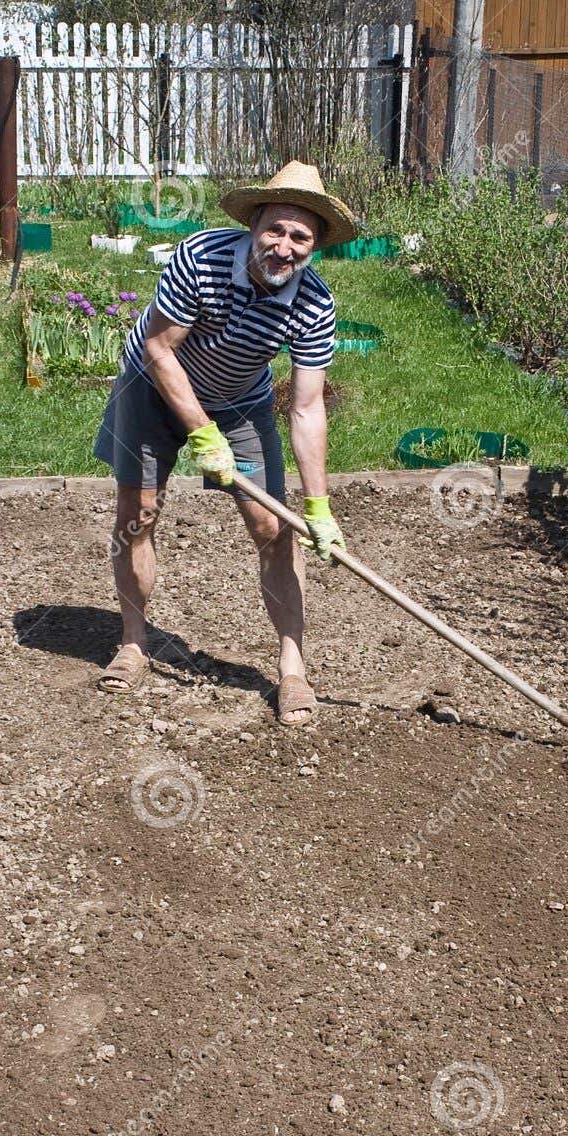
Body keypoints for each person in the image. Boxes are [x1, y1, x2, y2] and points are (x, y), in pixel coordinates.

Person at [92, 161, 357, 726]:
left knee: (272, 525)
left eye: (301, 237)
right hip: (151, 385)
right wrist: (200, 433)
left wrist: (319, 506)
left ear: (315, 247)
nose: (285, 247)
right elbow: (160, 352)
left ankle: (292, 668)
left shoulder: (314, 304)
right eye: (276, 230)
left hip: (239, 398)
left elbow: (307, 408)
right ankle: (134, 642)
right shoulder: (201, 258)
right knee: (138, 511)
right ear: (253, 226)